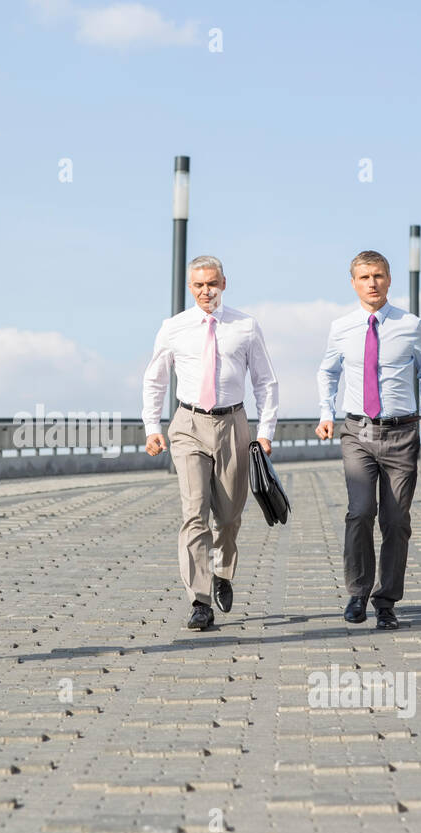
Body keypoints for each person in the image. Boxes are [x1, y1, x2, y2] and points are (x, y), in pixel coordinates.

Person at [142, 255, 280, 630]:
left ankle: (222, 571)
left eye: (212, 283)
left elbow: (265, 382)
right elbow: (155, 380)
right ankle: (200, 600)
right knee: (194, 512)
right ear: (191, 287)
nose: (206, 290)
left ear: (224, 283)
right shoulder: (174, 327)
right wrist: (152, 426)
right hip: (187, 423)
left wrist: (265, 431)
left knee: (230, 515)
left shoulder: (246, 326)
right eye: (199, 285)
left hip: (233, 423)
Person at [315, 250, 421, 630]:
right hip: (357, 431)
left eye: (379, 276)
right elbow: (328, 372)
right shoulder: (341, 327)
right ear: (353, 283)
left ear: (389, 280)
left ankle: (386, 601)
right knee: (360, 511)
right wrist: (326, 412)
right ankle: (357, 593)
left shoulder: (411, 324)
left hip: (402, 432)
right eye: (365, 277)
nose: (373, 283)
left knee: (396, 519)